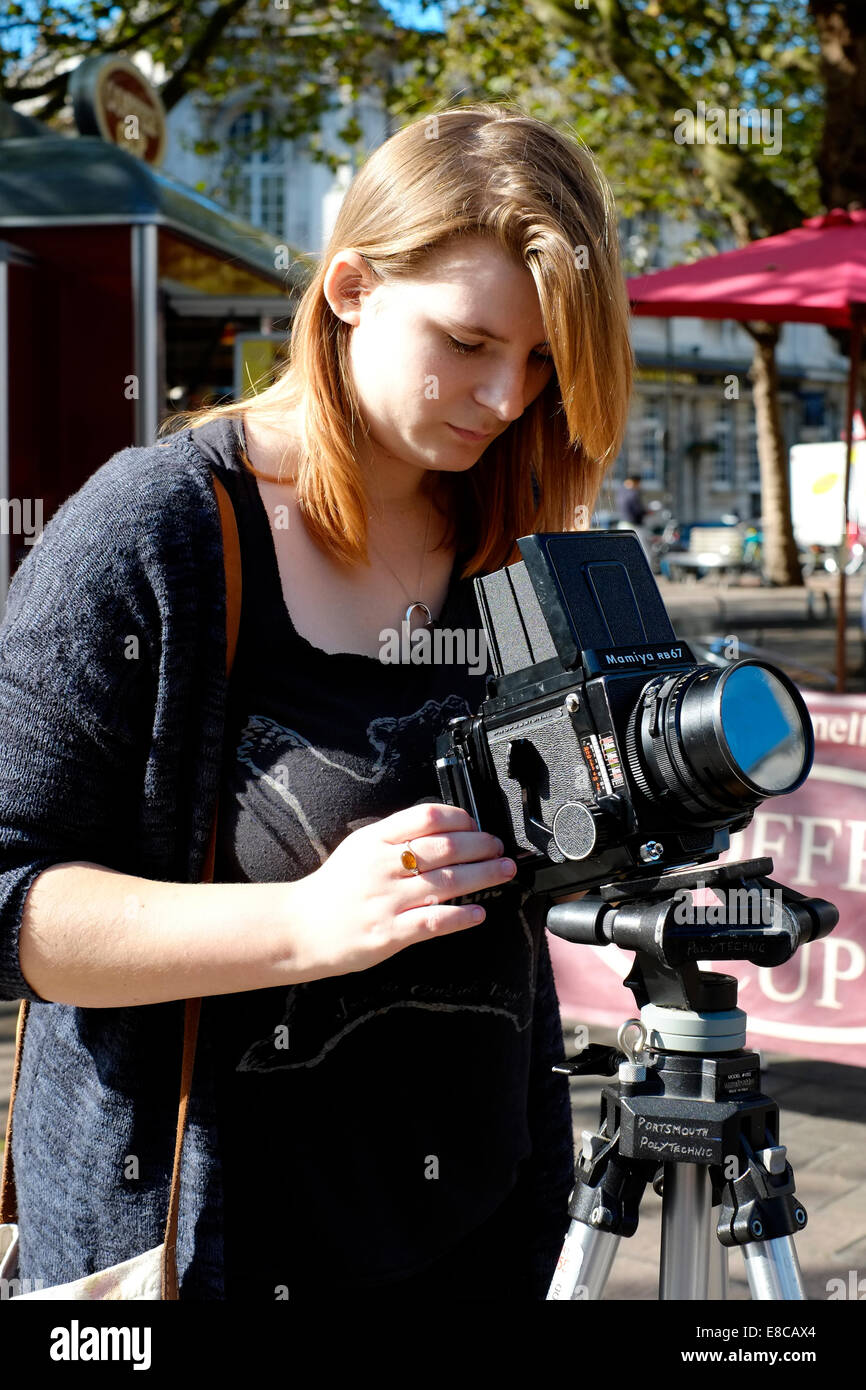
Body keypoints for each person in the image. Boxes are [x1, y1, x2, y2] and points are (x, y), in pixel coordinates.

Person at [0, 101, 633, 1301]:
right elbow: (9, 896)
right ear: (349, 287)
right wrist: (303, 921)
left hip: (485, 1230)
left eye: (544, 359)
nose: (505, 396)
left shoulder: (509, 528)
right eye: (468, 340)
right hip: (205, 1247)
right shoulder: (156, 528)